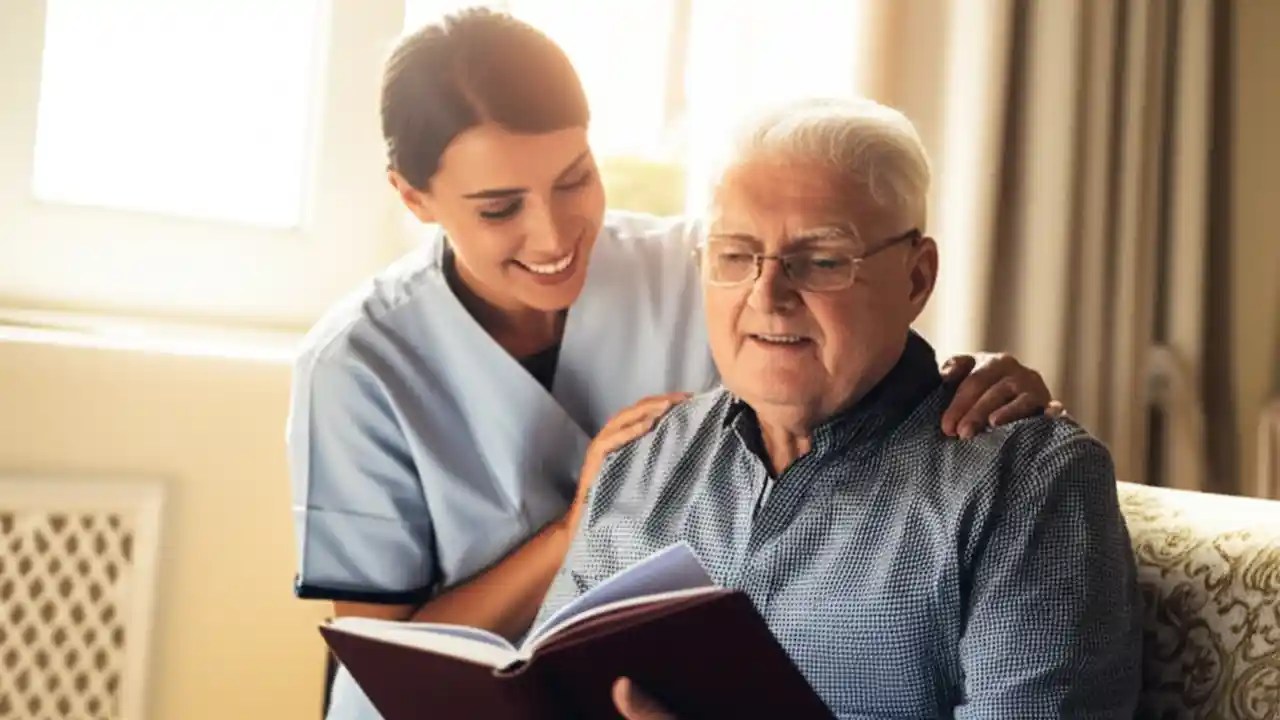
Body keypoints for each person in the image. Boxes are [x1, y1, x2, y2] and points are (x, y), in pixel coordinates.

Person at [288, 9, 1063, 719]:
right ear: (413, 197)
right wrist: (572, 526)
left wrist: (966, 376)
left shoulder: (706, 263)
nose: (556, 234)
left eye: (574, 180)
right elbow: (378, 652)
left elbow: (852, 313)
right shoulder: (358, 362)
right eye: (499, 208)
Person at [537, 97, 1143, 719]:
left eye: (822, 261)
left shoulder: (1025, 481)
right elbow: (537, 695)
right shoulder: (643, 459)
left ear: (917, 278)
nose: (768, 296)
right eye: (737, 256)